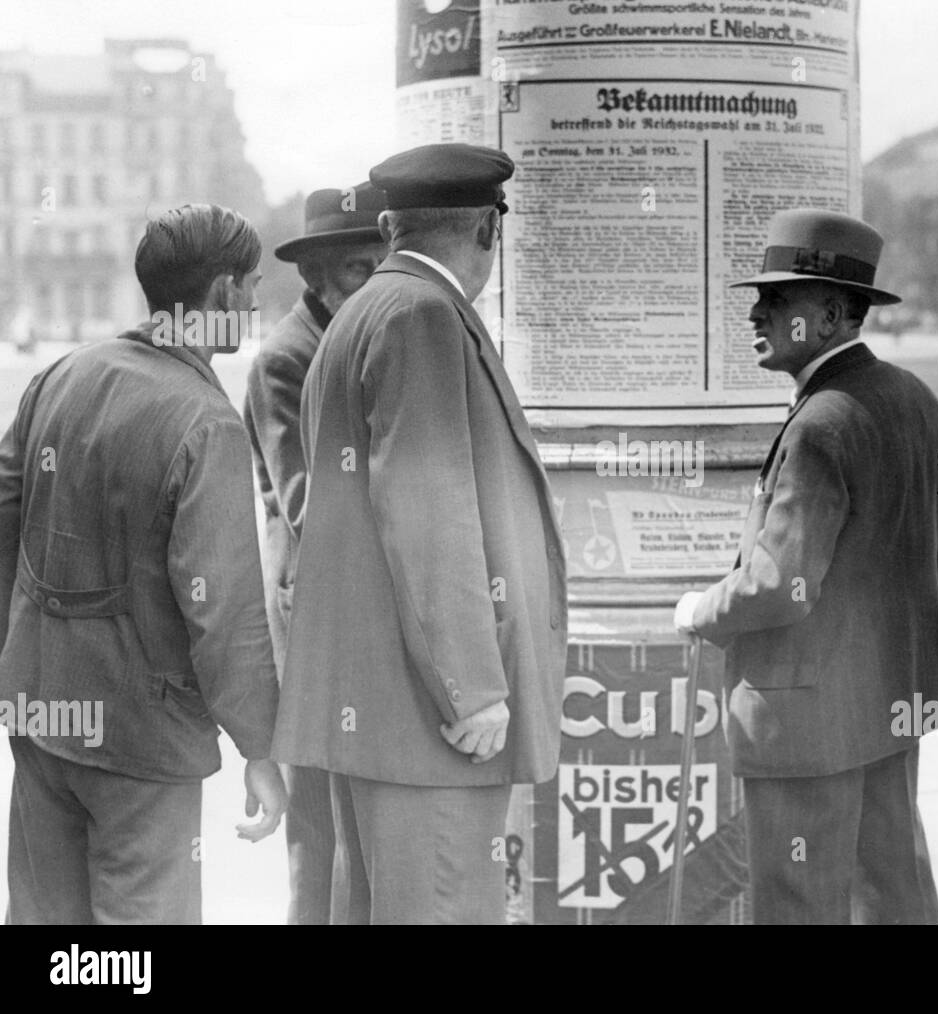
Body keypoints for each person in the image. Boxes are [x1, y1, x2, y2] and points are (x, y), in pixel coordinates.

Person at [272, 143, 568, 924]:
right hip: (428, 724)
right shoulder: (423, 315)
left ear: (392, 227)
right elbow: (428, 513)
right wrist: (472, 688)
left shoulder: (364, 313)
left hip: (380, 714)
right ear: (487, 228)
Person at [674, 209, 938, 925]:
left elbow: (779, 584)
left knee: (799, 906)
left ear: (831, 315)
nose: (755, 313)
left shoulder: (820, 423)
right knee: (892, 898)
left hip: (804, 717)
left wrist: (702, 609)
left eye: (777, 299)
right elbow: (937, 561)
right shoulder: (917, 401)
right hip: (890, 701)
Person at [0, 204, 286, 924]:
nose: (255, 302)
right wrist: (260, 748)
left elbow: (5, 519)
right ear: (222, 292)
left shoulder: (62, 375)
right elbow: (223, 613)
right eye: (252, 285)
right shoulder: (206, 423)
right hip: (141, 741)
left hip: (41, 713)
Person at [242, 183, 387, 925]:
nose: (377, 281)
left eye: (382, 263)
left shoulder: (359, 341)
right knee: (319, 827)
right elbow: (306, 504)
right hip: (313, 623)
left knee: (363, 830)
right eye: (361, 269)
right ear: (315, 277)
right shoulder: (285, 360)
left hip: (357, 614)